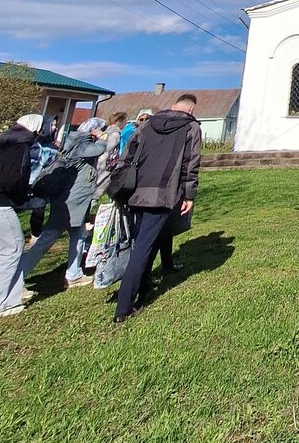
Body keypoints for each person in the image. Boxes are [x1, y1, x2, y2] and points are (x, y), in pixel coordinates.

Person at [114, 93, 202, 324]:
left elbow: (129, 152)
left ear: (173, 106)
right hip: (163, 192)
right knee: (143, 246)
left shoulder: (148, 124)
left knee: (145, 241)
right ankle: (124, 306)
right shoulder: (190, 127)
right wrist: (189, 194)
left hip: (136, 191)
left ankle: (142, 288)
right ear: (190, 110)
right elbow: (190, 163)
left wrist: (121, 184)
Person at [20, 117, 107, 290]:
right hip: (69, 203)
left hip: (73, 201)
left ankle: (74, 274)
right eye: (101, 128)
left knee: (78, 236)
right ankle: (15, 274)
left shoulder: (74, 142)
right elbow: (99, 149)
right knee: (47, 239)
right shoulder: (82, 144)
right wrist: (104, 137)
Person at [0, 113, 41, 319]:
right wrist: (22, 198)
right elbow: (13, 180)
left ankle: (12, 298)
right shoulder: (21, 149)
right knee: (11, 251)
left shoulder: (0, 148)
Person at [93, 111, 128, 196]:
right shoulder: (115, 134)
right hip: (106, 165)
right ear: (120, 121)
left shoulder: (107, 132)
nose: (125, 124)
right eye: (125, 122)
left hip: (101, 164)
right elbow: (108, 149)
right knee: (97, 191)